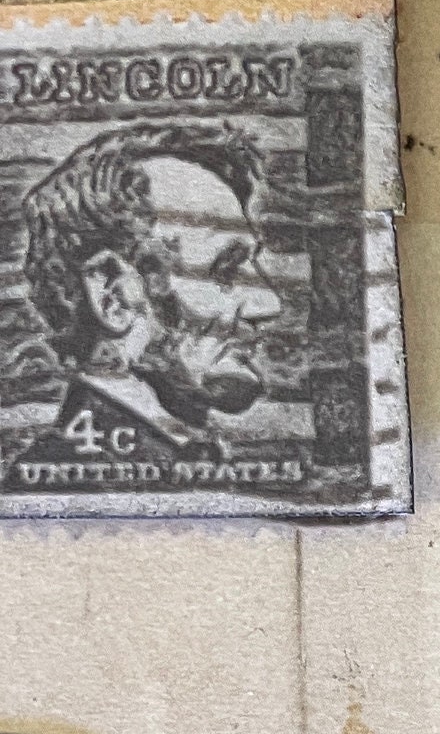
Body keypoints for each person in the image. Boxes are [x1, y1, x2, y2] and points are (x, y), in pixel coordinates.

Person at [8, 118, 282, 491]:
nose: (269, 305)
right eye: (226, 270)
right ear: (113, 296)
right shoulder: (59, 479)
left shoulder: (177, 458)